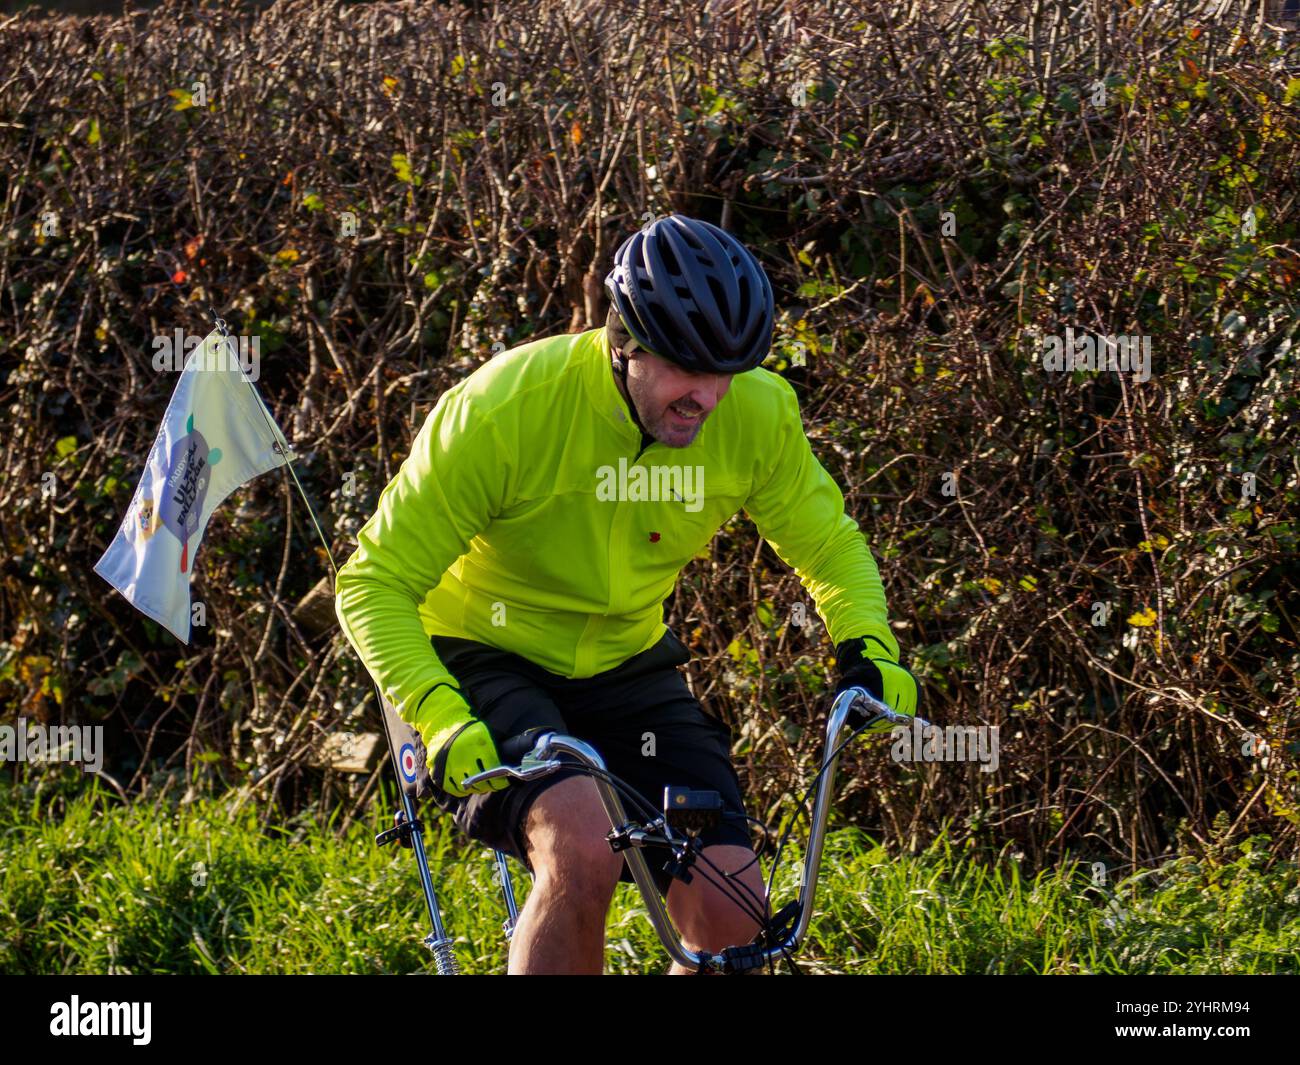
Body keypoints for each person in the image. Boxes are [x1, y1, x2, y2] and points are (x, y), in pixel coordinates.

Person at [334, 213, 918, 974]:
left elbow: (829, 543)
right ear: (625, 342)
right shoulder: (506, 408)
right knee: (582, 846)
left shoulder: (755, 413)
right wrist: (439, 715)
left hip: (624, 662)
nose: (707, 396)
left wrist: (867, 644)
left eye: (728, 370)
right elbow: (372, 581)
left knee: (733, 902)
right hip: (479, 655)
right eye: (686, 367)